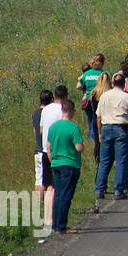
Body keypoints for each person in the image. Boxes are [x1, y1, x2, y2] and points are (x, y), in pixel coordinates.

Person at [95, 71, 128, 206]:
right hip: (121, 128)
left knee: (104, 160)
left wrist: (99, 133)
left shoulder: (104, 96)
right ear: (124, 84)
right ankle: (118, 190)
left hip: (106, 128)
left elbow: (98, 116)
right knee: (121, 161)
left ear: (113, 83)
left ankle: (99, 189)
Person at [47, 98, 84, 236]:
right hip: (70, 164)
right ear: (72, 111)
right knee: (66, 195)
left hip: (56, 164)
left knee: (58, 194)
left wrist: (53, 161)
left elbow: (48, 148)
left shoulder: (53, 127)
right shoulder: (73, 127)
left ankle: (55, 224)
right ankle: (62, 226)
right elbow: (79, 147)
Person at [40, 85, 69, 232]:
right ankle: (56, 219)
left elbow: (40, 129)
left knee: (48, 187)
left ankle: (47, 219)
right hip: (59, 152)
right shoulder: (62, 110)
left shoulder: (45, 109)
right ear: (65, 96)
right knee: (59, 187)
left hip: (45, 150)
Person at [76, 54, 107, 158]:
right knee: (101, 122)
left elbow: (79, 86)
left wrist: (87, 88)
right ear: (102, 63)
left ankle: (93, 142)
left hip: (89, 101)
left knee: (91, 121)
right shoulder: (103, 74)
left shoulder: (86, 74)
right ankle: (100, 141)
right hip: (101, 100)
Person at [32, 89, 54, 234]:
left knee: (38, 179)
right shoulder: (49, 113)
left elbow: (35, 131)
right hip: (45, 151)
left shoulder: (35, 113)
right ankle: (40, 207)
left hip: (37, 148)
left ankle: (37, 206)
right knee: (44, 182)